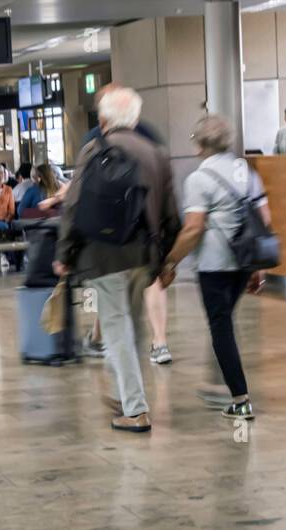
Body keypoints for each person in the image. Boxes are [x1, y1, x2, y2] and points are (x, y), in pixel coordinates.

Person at [54, 85, 180, 433]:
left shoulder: (95, 148)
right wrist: (168, 261)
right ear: (135, 118)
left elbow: (74, 204)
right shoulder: (157, 153)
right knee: (133, 325)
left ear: (104, 118)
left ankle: (135, 408)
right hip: (144, 254)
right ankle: (129, 394)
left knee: (117, 327)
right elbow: (172, 214)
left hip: (103, 253)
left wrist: (64, 252)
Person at [161, 115, 270, 421]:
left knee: (220, 327)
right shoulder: (246, 171)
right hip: (243, 262)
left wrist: (170, 262)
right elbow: (264, 219)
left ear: (200, 144)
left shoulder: (198, 179)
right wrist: (257, 267)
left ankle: (240, 398)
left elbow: (193, 229)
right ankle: (227, 386)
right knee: (224, 324)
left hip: (215, 264)